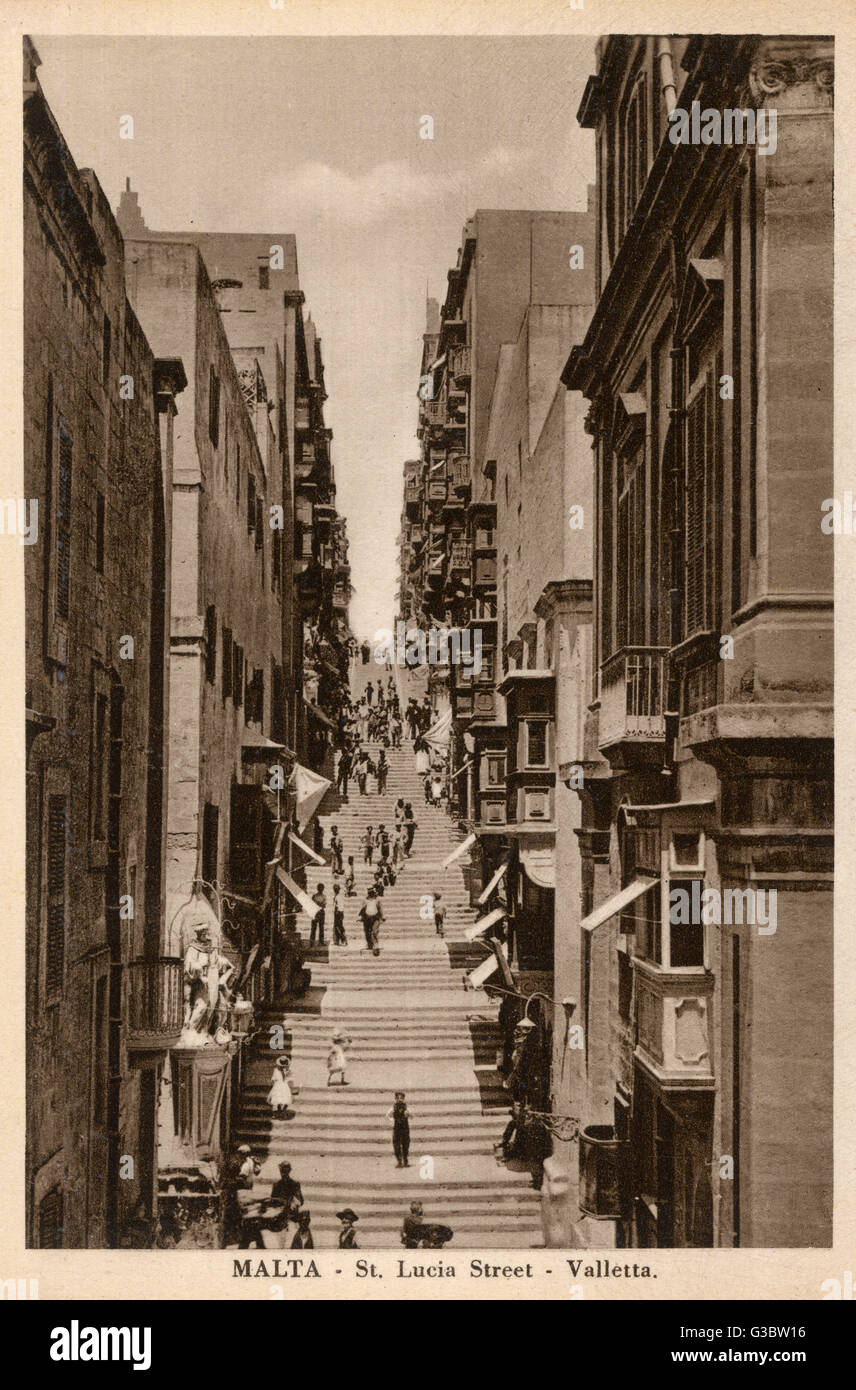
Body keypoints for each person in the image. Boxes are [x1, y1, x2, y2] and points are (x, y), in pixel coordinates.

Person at [388, 1091, 411, 1168]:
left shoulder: (406, 1107)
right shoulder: (393, 1107)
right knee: (396, 1144)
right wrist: (392, 1119)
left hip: (405, 1128)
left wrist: (408, 1114)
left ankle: (405, 1160)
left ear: (404, 1099)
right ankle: (399, 1161)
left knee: (405, 1144)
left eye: (401, 1098)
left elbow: (412, 1116)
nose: (399, 1100)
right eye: (398, 1098)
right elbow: (388, 1115)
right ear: (395, 1099)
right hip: (397, 1127)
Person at [360, 887, 383, 952]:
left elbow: (380, 908)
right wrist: (362, 917)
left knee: (374, 931)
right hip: (367, 918)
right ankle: (369, 944)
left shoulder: (377, 900)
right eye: (369, 893)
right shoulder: (365, 900)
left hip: (375, 917)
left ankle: (375, 944)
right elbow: (363, 909)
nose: (371, 894)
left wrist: (382, 916)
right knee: (367, 932)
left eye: (372, 892)